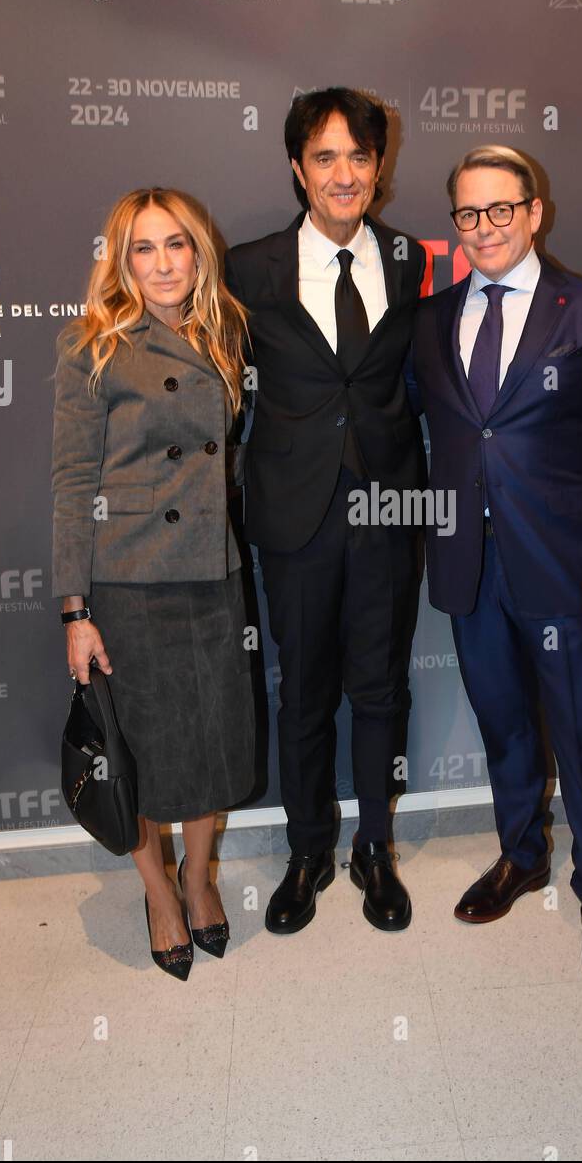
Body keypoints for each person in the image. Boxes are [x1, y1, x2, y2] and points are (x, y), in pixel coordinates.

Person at [412, 146, 582, 985]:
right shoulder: (432, 319)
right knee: (502, 722)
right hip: (470, 567)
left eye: (500, 211)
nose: (485, 229)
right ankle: (521, 853)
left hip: (564, 571)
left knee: (581, 732)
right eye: (468, 215)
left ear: (534, 211)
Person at [225, 87, 425, 934]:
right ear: (298, 170)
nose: (344, 173)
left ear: (379, 168)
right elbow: (219, 393)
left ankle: (374, 846)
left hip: (389, 507)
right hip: (294, 513)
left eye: (359, 156)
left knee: (380, 689)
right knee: (303, 691)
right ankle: (307, 848)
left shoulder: (413, 260)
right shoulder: (247, 268)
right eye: (325, 156)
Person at [52, 187, 265, 981]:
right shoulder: (94, 344)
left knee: (212, 744)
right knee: (138, 750)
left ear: (198, 250)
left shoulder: (226, 330)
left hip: (214, 573)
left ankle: (199, 878)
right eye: (144, 248)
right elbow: (73, 481)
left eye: (177, 244)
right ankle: (159, 896)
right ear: (121, 259)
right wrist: (76, 609)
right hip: (130, 581)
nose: (163, 262)